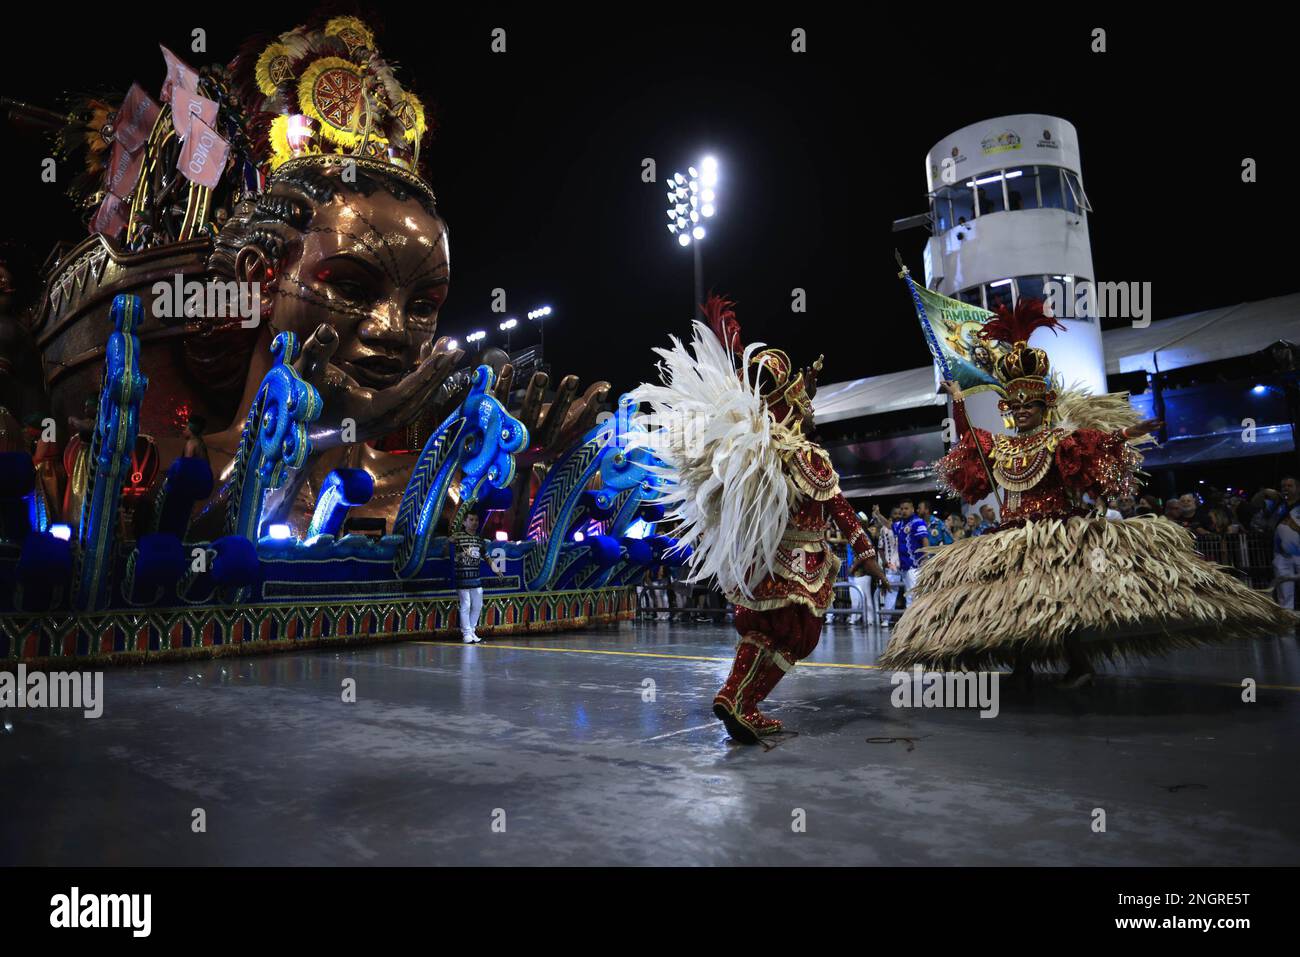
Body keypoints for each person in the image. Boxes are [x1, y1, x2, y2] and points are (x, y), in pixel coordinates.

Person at [879, 298, 1294, 688]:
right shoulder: (999, 446)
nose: (1021, 410)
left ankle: (1079, 664)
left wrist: (1128, 434)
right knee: (1014, 605)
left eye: (1030, 405)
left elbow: (1098, 446)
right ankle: (1022, 664)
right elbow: (970, 442)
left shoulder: (1060, 440)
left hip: (1057, 536)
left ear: (1044, 406)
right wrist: (957, 401)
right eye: (1015, 405)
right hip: (1009, 537)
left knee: (1061, 602)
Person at [630, 295, 885, 744]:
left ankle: (735, 696)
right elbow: (839, 506)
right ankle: (740, 700)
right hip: (796, 564)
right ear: (797, 406)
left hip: (758, 564)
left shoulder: (762, 449)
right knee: (796, 638)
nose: (812, 413)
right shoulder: (803, 454)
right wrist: (867, 556)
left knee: (761, 632)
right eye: (808, 405)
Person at [450, 511, 487, 643]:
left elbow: (485, 556)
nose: (474, 522)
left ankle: (471, 630)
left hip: (475, 577)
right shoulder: (458, 536)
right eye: (471, 520)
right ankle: (466, 633)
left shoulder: (479, 539)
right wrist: (450, 543)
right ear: (464, 522)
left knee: (478, 604)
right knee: (466, 604)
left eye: (476, 520)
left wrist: (496, 569)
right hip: (462, 576)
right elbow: (448, 549)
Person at [894, 499, 930, 606]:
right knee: (909, 596)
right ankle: (911, 621)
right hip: (905, 566)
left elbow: (925, 540)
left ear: (912, 509)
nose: (903, 511)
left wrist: (926, 558)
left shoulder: (917, 522)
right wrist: (878, 515)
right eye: (901, 509)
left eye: (906, 508)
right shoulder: (900, 524)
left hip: (915, 565)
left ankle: (918, 621)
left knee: (915, 596)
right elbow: (888, 525)